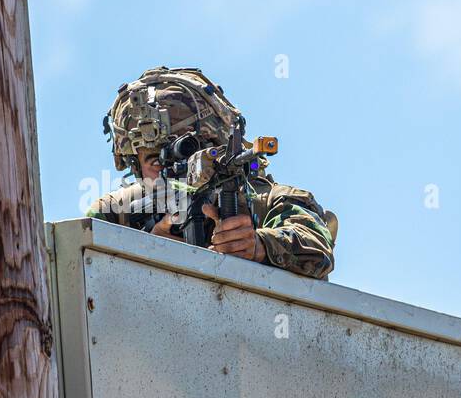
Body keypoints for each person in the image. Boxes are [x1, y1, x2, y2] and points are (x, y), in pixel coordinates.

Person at [88, 66, 337, 280]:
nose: (171, 169)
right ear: (136, 166)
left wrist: (259, 245)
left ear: (214, 147)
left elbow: (317, 248)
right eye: (155, 159)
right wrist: (147, 250)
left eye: (184, 152)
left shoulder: (268, 200)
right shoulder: (116, 214)